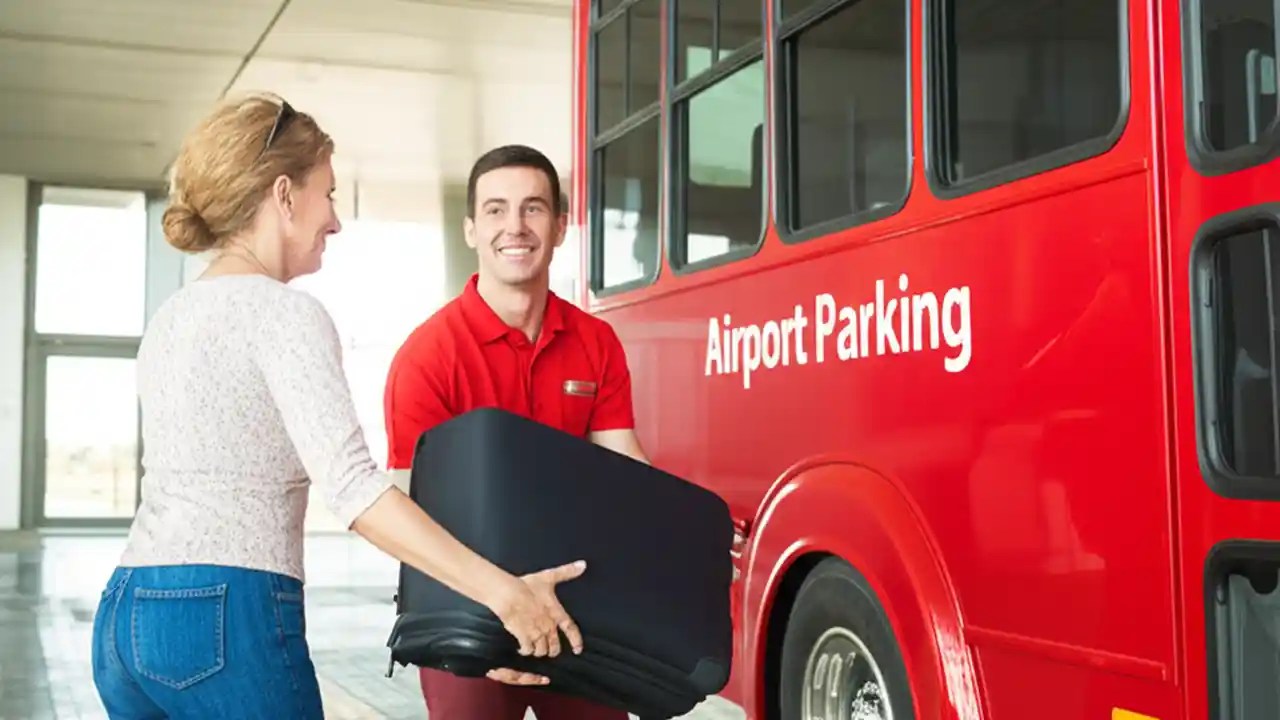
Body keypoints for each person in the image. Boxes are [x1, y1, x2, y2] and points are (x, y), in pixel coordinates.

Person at [88, 95, 588, 720]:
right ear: (283, 196)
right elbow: (355, 492)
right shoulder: (285, 314)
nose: (335, 220)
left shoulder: (171, 316)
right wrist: (506, 596)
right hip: (226, 611)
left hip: (125, 613)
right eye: (327, 194)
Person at [383, 144, 646, 720]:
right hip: (462, 606)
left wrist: (688, 533)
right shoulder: (428, 356)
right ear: (473, 229)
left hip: (575, 607)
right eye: (497, 210)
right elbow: (405, 509)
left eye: (533, 208)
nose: (516, 226)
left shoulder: (595, 342)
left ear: (560, 225)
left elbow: (626, 468)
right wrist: (489, 618)